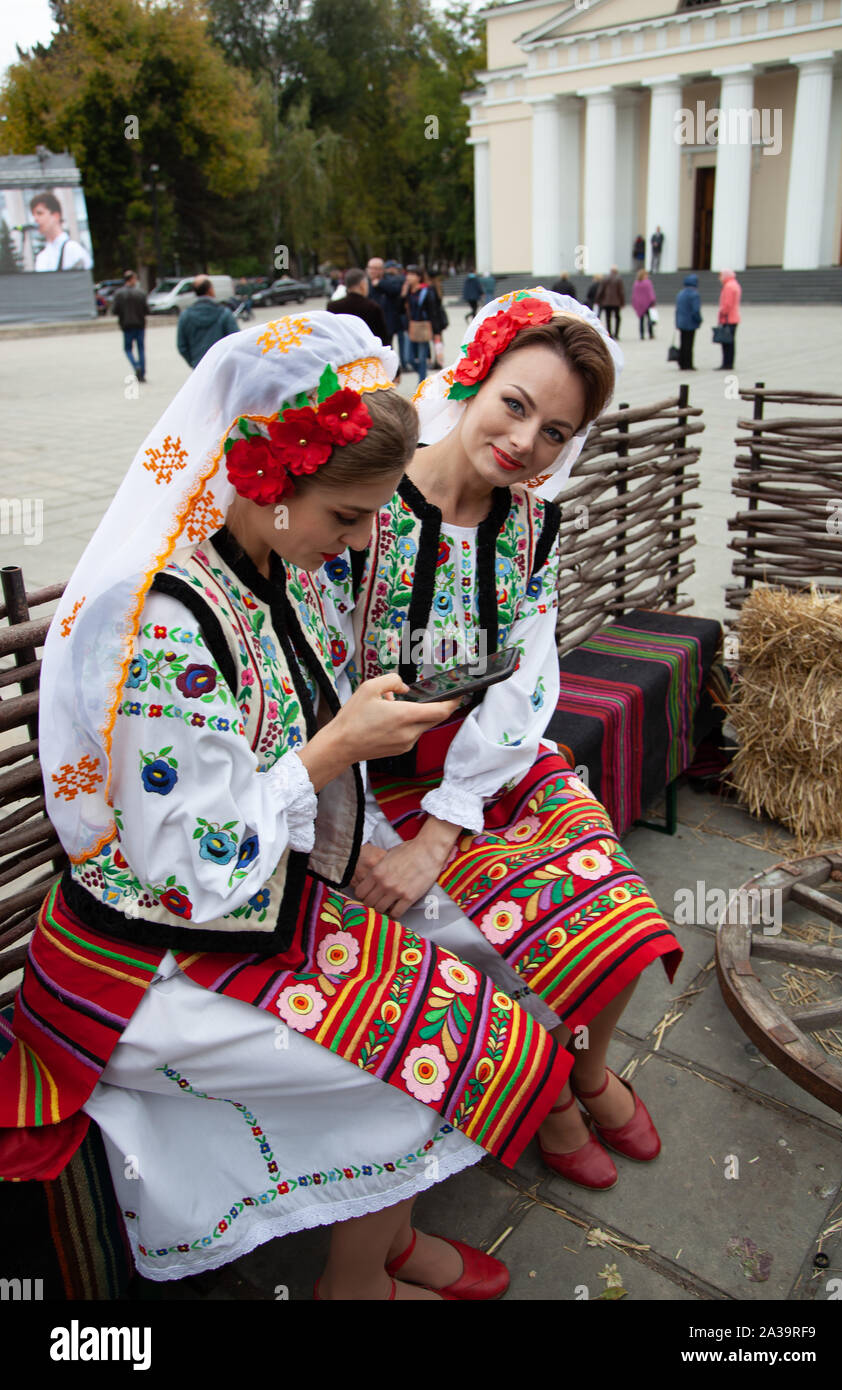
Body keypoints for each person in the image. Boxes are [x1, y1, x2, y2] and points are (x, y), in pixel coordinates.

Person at [0, 312, 572, 1301]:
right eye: (346, 519)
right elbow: (190, 865)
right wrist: (329, 752)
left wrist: (354, 821)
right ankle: (358, 1281)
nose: (358, 542)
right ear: (265, 482)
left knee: (468, 972)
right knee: (430, 1054)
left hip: (259, 893)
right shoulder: (161, 623)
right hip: (149, 950)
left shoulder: (280, 571)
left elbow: (294, 752)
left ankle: (376, 1250)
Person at [347, 288, 683, 1193]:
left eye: (555, 432)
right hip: (375, 778)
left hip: (494, 760)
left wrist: (450, 821)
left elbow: (527, 680)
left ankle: (584, 1071)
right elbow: (322, 676)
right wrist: (403, 822)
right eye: (517, 403)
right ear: (475, 374)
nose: (526, 442)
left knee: (620, 912)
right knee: (481, 922)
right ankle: (553, 1101)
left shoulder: (532, 526)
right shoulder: (367, 506)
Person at [177, 275, 239, 369]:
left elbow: (182, 345)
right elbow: (236, 340)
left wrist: (194, 362)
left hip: (199, 365)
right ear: (210, 290)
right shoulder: (224, 313)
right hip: (221, 365)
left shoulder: (185, 315)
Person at [30, 191, 92, 271]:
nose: (35, 219)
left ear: (56, 216)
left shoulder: (73, 249)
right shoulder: (41, 257)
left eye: (40, 213)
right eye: (33, 215)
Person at [327, 267, 388, 345]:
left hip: (342, 353)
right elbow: (382, 339)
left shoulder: (333, 307)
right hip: (367, 354)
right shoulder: (372, 307)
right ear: (362, 284)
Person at [403, 265, 444, 382]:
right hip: (411, 326)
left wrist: (436, 332)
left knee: (422, 357)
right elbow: (401, 309)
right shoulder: (408, 291)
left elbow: (433, 312)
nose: (409, 277)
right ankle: (423, 376)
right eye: (408, 274)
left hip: (424, 327)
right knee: (408, 358)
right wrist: (403, 293)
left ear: (419, 277)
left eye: (412, 274)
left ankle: (421, 381)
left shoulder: (426, 291)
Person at [111, 268, 149, 382]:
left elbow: (114, 310)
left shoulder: (119, 294)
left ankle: (136, 365)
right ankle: (141, 372)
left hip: (126, 325)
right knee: (141, 349)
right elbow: (147, 310)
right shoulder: (140, 293)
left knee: (128, 349)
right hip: (139, 324)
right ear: (132, 279)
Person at [366, 257, 405, 350]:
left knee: (386, 349)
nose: (372, 271)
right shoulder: (364, 282)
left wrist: (380, 283)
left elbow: (396, 290)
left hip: (386, 322)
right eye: (370, 268)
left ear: (382, 270)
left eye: (375, 268)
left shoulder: (390, 280)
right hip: (369, 323)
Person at [716, 269, 741, 371]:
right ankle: (728, 363)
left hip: (728, 319)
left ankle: (727, 363)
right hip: (733, 318)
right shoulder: (734, 284)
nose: (720, 278)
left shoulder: (729, 287)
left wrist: (722, 313)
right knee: (730, 342)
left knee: (727, 343)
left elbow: (727, 304)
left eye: (721, 276)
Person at [675, 273, 702, 370]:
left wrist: (677, 322)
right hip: (690, 323)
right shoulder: (694, 294)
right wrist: (699, 320)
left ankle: (682, 363)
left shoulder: (680, 293)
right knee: (689, 344)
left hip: (681, 322)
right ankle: (688, 364)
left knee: (683, 343)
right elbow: (696, 310)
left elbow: (677, 310)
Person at [597, 265, 625, 340]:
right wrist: (622, 302)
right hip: (616, 302)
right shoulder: (619, 278)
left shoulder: (605, 278)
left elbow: (601, 290)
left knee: (608, 318)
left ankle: (610, 333)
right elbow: (621, 292)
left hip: (607, 302)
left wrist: (598, 300)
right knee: (617, 317)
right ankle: (616, 333)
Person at [632, 268, 656, 341]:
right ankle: (650, 334)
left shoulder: (636, 283)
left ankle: (641, 334)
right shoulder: (647, 283)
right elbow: (650, 293)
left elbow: (634, 294)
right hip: (648, 304)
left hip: (639, 304)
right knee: (649, 319)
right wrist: (653, 300)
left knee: (641, 320)